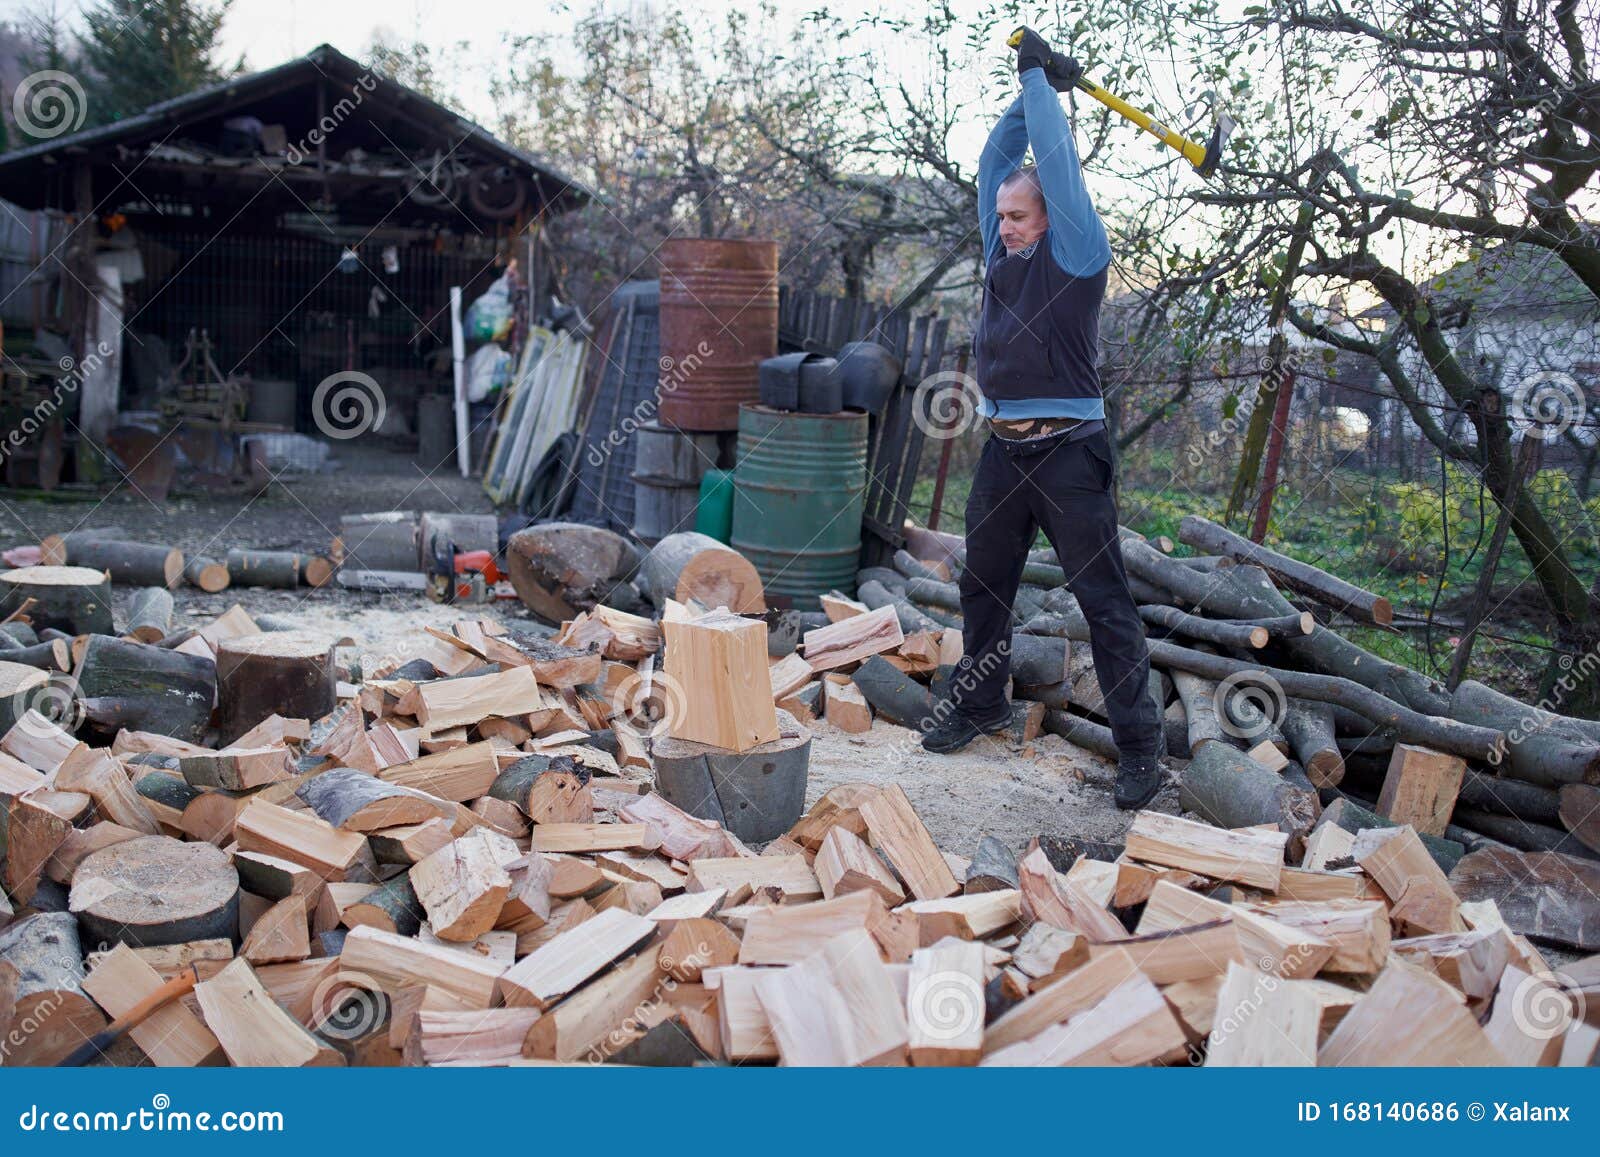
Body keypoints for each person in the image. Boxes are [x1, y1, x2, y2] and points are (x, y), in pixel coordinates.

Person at [920, 28, 1166, 810]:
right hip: (1003, 451)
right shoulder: (1002, 252)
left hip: (1069, 455)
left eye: (1021, 216)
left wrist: (1040, 85)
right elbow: (1003, 160)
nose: (1007, 225)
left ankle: (1139, 751)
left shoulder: (1077, 255)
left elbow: (1054, 170)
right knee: (982, 586)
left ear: (1051, 218)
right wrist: (1032, 90)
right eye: (1002, 218)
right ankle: (983, 704)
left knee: (1106, 606)